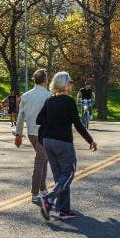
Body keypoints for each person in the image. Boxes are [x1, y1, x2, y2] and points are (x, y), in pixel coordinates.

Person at [37, 72, 97, 221]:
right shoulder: (69, 102)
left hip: (48, 142)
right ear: (63, 84)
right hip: (63, 142)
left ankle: (64, 210)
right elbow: (77, 124)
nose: (72, 84)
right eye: (70, 82)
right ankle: (48, 199)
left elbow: (39, 120)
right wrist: (90, 140)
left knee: (60, 177)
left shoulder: (49, 101)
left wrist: (43, 138)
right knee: (69, 173)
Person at [14, 69, 53, 202]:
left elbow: (20, 117)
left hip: (31, 133)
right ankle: (35, 192)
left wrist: (18, 134)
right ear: (45, 80)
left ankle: (42, 188)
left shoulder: (25, 96)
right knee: (40, 160)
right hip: (44, 133)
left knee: (44, 158)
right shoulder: (49, 96)